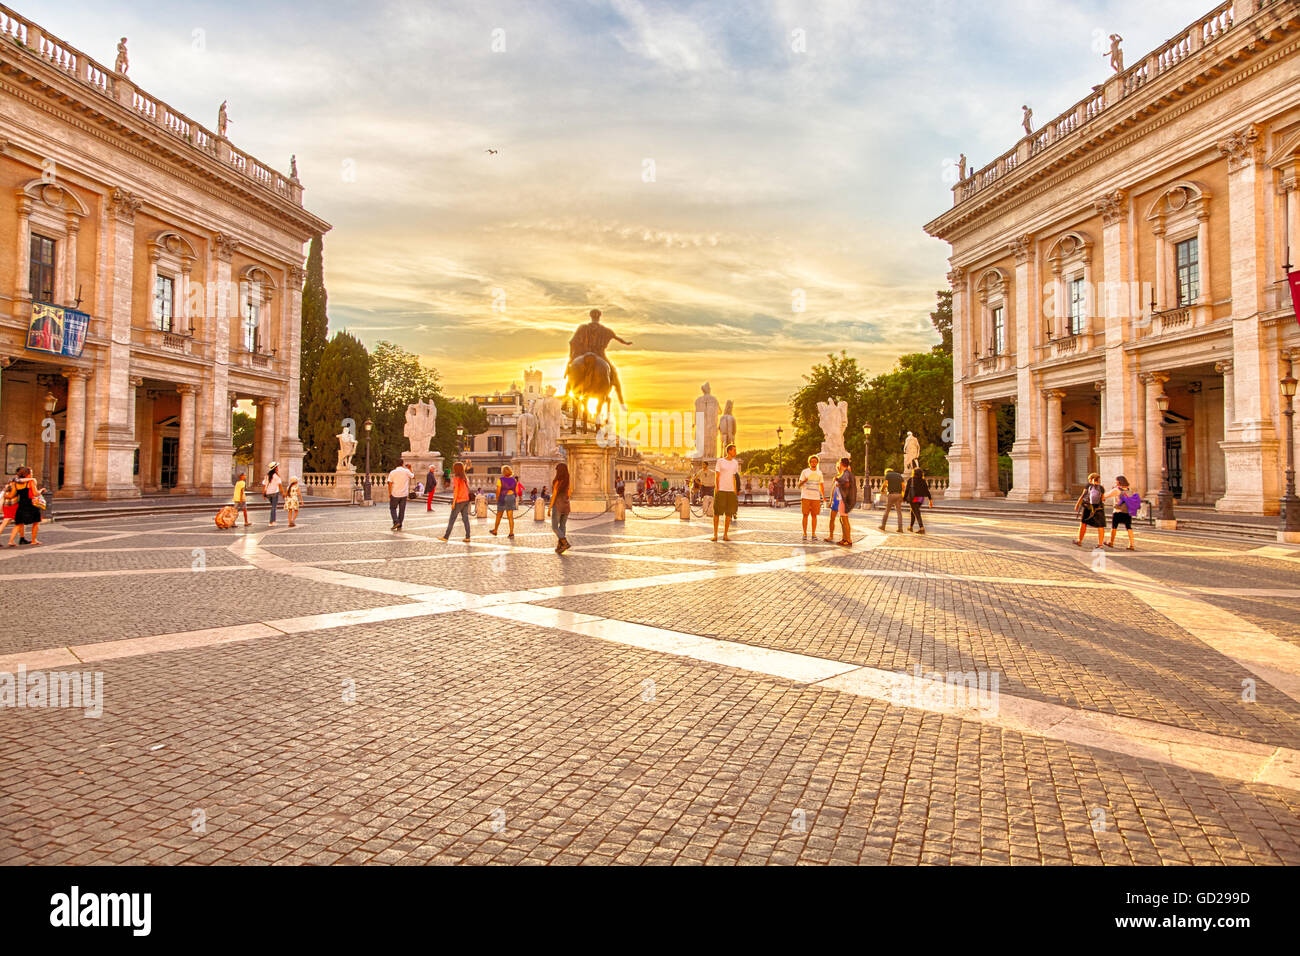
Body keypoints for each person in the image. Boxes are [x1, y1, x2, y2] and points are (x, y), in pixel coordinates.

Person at [5, 466, 44, 547]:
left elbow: (12, 494)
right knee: (36, 522)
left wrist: (5, 495)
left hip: (21, 504)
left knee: (19, 523)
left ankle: (11, 541)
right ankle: (33, 540)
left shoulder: (16, 483)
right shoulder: (31, 482)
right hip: (31, 504)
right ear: (27, 474)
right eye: (31, 473)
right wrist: (41, 491)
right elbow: (35, 493)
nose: (32, 474)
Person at [712, 443, 741, 542]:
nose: (735, 452)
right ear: (729, 451)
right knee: (717, 513)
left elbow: (734, 477)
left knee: (729, 514)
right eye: (734, 450)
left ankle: (725, 535)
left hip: (731, 491)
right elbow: (717, 476)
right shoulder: (720, 461)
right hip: (721, 490)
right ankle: (715, 535)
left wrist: (735, 490)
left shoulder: (735, 463)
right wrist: (717, 488)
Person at [1105, 475, 1141, 551]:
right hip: (1127, 511)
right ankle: (1131, 544)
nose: (1115, 482)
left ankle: (1111, 542)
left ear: (1118, 481)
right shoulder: (1130, 490)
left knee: (1114, 527)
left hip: (1118, 511)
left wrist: (1107, 490)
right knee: (1129, 527)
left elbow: (1106, 495)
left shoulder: (1116, 490)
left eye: (1116, 480)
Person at [825, 457, 855, 546]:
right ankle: (844, 538)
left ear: (841, 464)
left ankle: (848, 539)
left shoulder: (846, 473)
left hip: (843, 499)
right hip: (839, 499)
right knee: (842, 519)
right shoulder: (842, 474)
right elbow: (835, 488)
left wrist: (839, 482)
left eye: (839, 464)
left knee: (844, 520)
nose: (838, 466)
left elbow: (847, 485)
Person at [440, 461, 472, 542]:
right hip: (466, 500)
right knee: (465, 519)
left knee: (452, 519)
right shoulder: (465, 478)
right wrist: (467, 464)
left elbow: (456, 491)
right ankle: (468, 537)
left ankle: (446, 537)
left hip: (459, 501)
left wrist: (454, 503)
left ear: (456, 469)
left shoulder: (456, 478)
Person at [1074, 472, 1107, 548]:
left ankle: (1079, 541)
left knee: (1083, 524)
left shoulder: (1089, 485)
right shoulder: (1101, 487)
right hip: (1099, 508)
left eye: (1089, 479)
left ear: (1091, 479)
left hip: (1088, 507)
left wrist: (1077, 504)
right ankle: (1100, 544)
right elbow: (1103, 499)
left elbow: (1082, 495)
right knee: (1100, 526)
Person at [797, 455, 827, 540]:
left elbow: (821, 485)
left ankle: (813, 534)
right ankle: (804, 533)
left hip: (816, 497)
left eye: (815, 461)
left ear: (817, 463)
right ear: (809, 463)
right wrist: (804, 481)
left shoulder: (819, 473)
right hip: (805, 496)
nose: (813, 463)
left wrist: (823, 496)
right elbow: (799, 485)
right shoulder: (805, 472)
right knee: (805, 515)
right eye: (812, 461)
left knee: (814, 516)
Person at [490, 465, 520, 538]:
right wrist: (513, 495)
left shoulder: (500, 480)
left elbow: (498, 491)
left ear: (503, 472)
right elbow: (517, 491)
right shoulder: (514, 480)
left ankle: (495, 530)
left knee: (499, 515)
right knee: (510, 516)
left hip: (503, 497)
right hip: (511, 497)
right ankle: (511, 533)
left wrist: (497, 498)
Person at [548, 462, 571, 554]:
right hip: (566, 505)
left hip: (558, 505)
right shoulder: (568, 482)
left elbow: (554, 495)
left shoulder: (557, 482)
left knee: (554, 527)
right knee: (562, 526)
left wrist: (549, 508)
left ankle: (564, 543)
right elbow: (569, 493)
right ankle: (560, 546)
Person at [387, 460, 415, 531]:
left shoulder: (392, 472)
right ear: (402, 464)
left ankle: (396, 522)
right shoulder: (406, 471)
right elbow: (413, 476)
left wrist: (390, 493)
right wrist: (410, 468)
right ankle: (400, 525)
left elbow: (389, 483)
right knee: (402, 510)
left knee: (392, 508)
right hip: (404, 494)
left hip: (395, 493)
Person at [903, 466, 933, 534]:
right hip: (920, 498)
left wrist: (904, 498)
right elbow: (927, 491)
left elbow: (907, 490)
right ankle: (910, 526)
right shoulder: (923, 480)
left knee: (916, 512)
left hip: (913, 498)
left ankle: (921, 528)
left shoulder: (911, 480)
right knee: (913, 511)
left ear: (914, 473)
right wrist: (930, 500)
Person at [879, 464, 906, 533]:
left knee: (887, 511)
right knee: (899, 512)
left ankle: (883, 526)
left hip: (891, 495)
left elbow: (885, 484)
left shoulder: (888, 475)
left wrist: (882, 490)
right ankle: (900, 528)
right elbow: (903, 486)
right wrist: (903, 495)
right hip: (899, 495)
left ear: (886, 472)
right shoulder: (899, 475)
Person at [261, 462, 282, 527]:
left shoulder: (267, 475)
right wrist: (283, 492)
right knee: (274, 508)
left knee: (273, 507)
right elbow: (280, 485)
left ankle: (272, 521)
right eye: (277, 467)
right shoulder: (276, 476)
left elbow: (264, 485)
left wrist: (263, 493)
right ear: (275, 468)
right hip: (274, 492)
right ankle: (272, 521)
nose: (278, 468)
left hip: (268, 493)